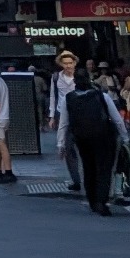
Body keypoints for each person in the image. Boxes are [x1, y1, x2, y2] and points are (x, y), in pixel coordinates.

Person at [63, 73, 129, 216]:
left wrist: (61, 144)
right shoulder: (102, 96)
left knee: (88, 167)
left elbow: (64, 124)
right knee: (104, 168)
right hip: (103, 137)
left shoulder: (68, 98)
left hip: (81, 138)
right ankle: (101, 201)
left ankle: (92, 200)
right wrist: (125, 137)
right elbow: (117, 119)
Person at [47, 52, 86, 192]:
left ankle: (87, 177)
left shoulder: (80, 77)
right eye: (65, 63)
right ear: (61, 64)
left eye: (70, 63)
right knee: (68, 149)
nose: (68, 66)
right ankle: (76, 180)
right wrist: (52, 116)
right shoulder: (56, 77)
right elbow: (53, 96)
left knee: (84, 148)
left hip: (80, 116)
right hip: (63, 113)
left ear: (74, 63)